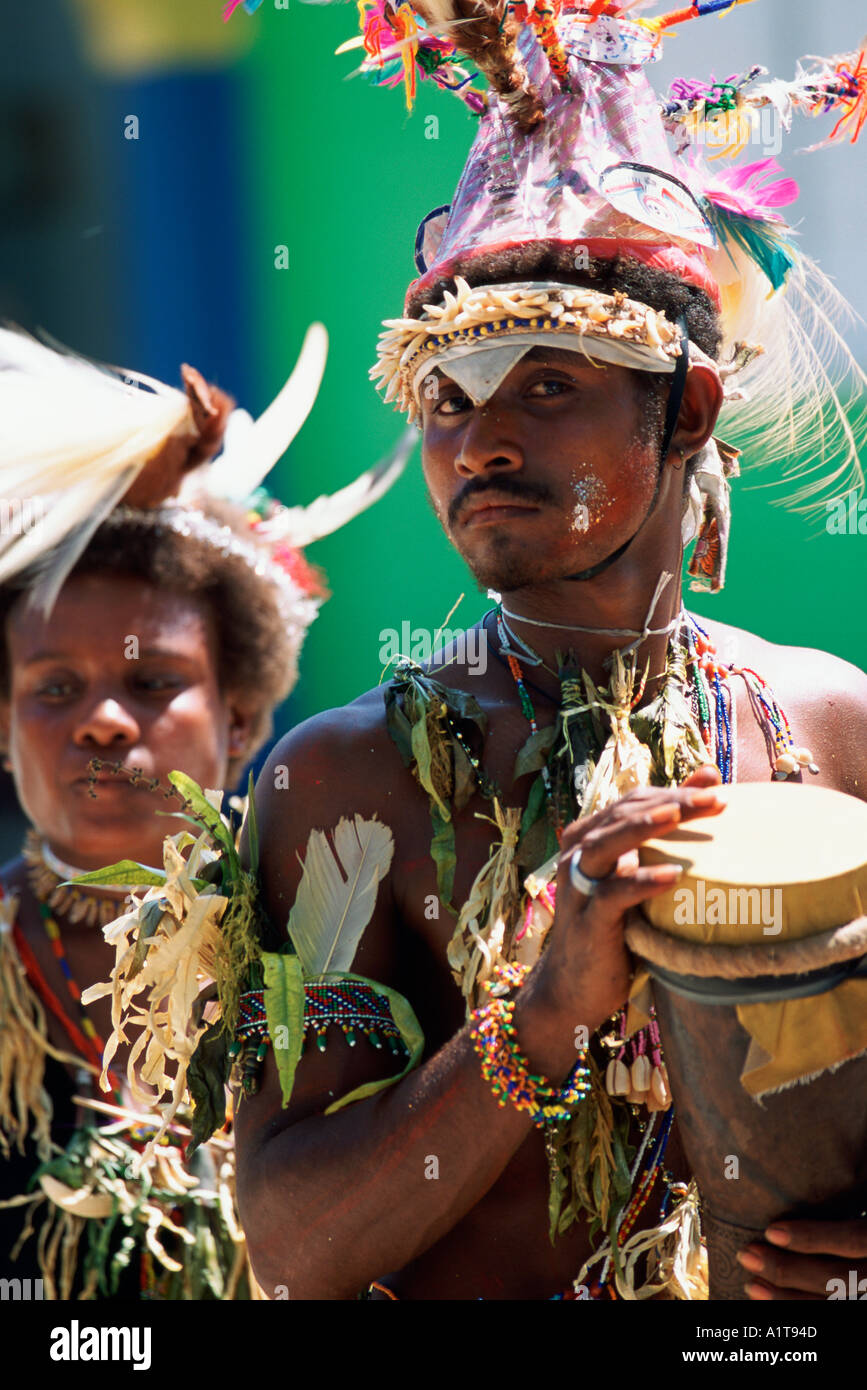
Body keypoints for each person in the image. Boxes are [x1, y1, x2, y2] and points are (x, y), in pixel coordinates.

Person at [226, 1, 867, 1300]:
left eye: (543, 382)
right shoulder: (345, 784)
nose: (479, 443)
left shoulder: (834, 728)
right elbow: (291, 1252)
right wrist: (540, 1017)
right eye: (445, 399)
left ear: (681, 405)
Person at [0, 328, 410, 1298]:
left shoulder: (346, 944)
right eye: (54, 688)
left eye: (151, 681)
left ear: (240, 718)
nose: (103, 720)